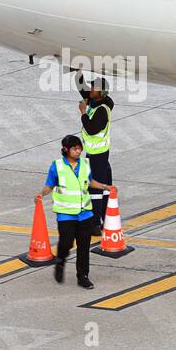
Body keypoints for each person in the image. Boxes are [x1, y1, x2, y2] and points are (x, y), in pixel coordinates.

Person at [36, 134, 112, 289]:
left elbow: (90, 182)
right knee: (66, 242)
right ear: (66, 150)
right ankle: (60, 261)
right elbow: (50, 185)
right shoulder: (57, 166)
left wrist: (105, 187)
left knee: (84, 247)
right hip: (65, 213)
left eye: (79, 149)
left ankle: (83, 276)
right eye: (75, 149)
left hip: (85, 213)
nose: (78, 152)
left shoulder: (85, 164)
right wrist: (41, 194)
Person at [78, 76, 115, 230]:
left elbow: (92, 130)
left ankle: (95, 224)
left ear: (101, 92)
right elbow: (83, 90)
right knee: (105, 188)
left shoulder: (101, 111)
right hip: (100, 155)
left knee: (95, 189)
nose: (90, 90)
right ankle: (107, 219)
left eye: (94, 88)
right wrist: (78, 73)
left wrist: (83, 113)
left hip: (97, 156)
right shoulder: (100, 102)